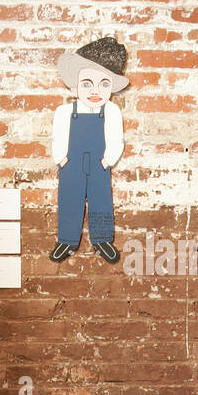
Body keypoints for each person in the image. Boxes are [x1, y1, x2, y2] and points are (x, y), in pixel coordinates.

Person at [48, 36, 127, 264]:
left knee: (100, 198)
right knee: (69, 198)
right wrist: (61, 159)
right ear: (74, 86)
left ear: (111, 88)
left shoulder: (111, 111)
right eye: (87, 84)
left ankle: (102, 240)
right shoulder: (64, 112)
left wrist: (107, 160)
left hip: (98, 162)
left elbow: (116, 139)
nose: (95, 90)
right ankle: (67, 239)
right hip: (71, 162)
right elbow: (58, 136)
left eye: (104, 84)